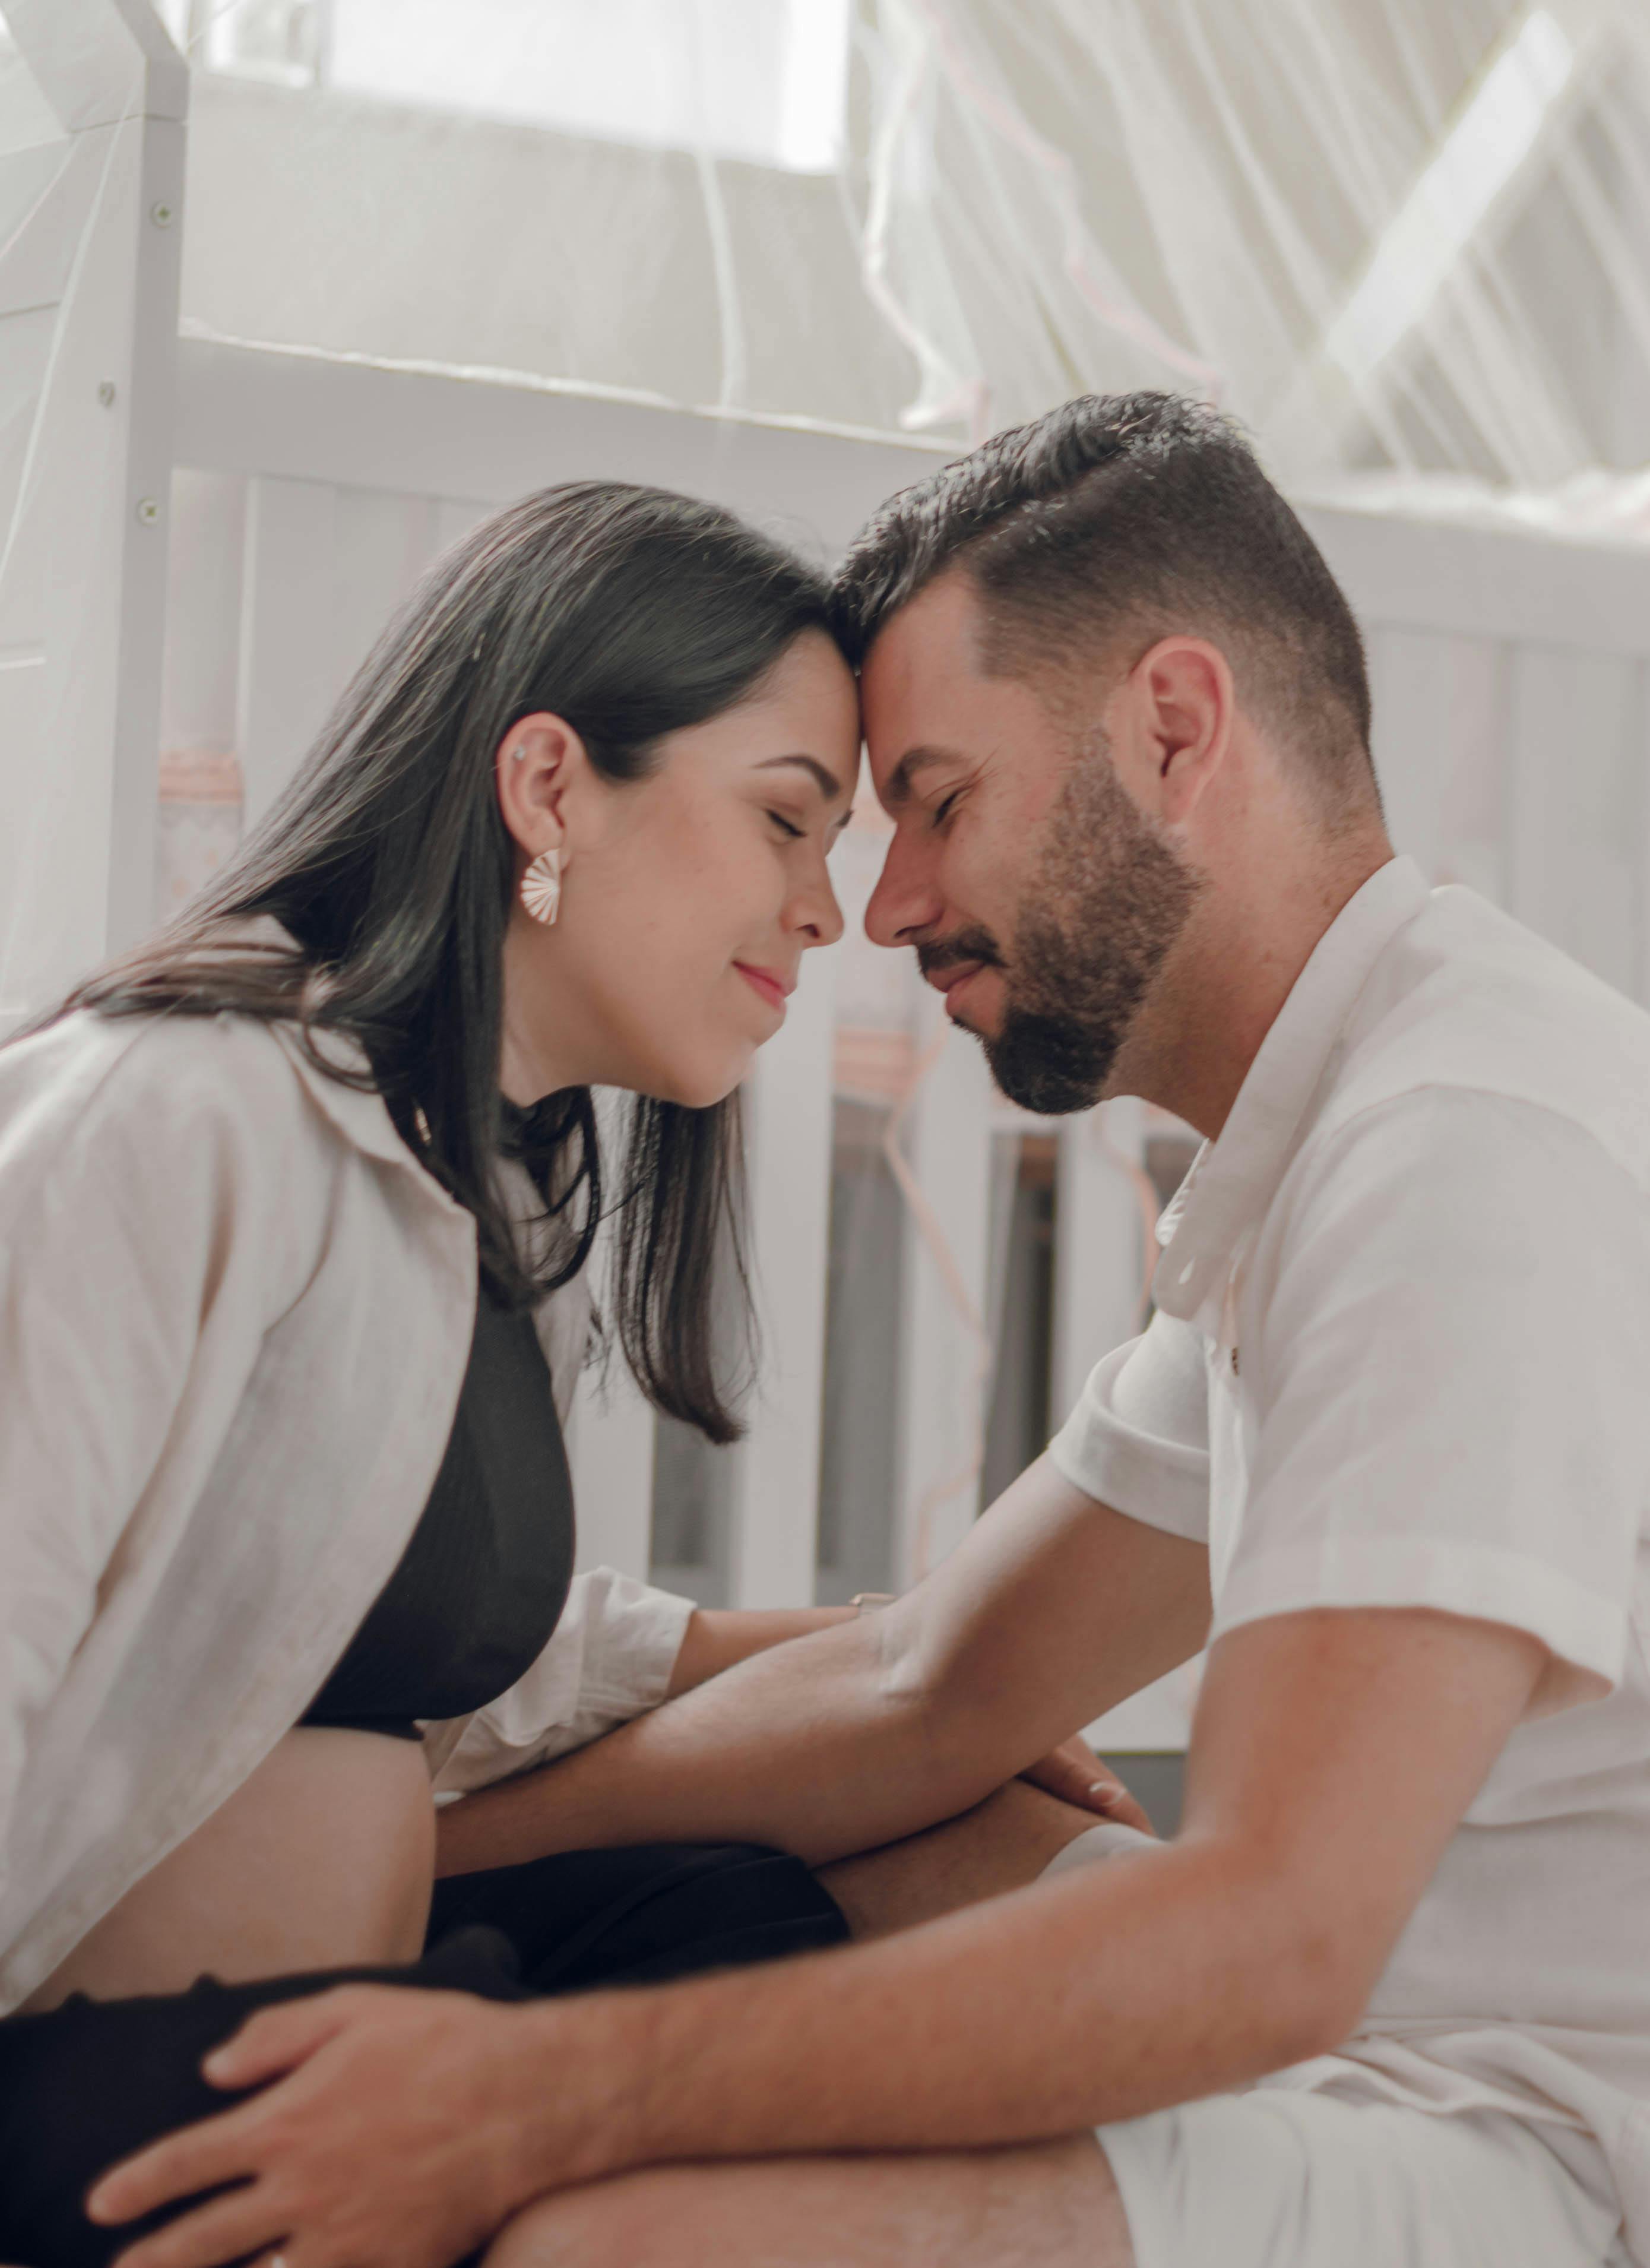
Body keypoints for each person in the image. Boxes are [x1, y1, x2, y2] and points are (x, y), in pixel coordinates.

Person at [93, 391, 1650, 2268]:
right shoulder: (1328, 1125)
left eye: (931, 801)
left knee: (602, 2239)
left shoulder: (1457, 1152)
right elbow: (931, 1685)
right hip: (1373, 2014)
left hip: (1537, 2128)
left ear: (1171, 728)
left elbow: (1271, 1938)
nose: (882, 906)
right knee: (893, 1820)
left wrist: (520, 2099)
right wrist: (402, 1869)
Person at [0, 477, 1137, 2268]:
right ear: (547, 786)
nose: (826, 912)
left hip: (329, 2019)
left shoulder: (468, 1178)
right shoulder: (179, 1110)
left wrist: (862, 1654)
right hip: (101, 2098)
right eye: (787, 821)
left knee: (760, 1912)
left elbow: (373, 1635)